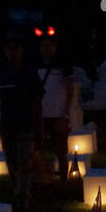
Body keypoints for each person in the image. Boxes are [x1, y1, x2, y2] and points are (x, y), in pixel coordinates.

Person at [0, 31, 44, 211]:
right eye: (9, 48)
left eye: (16, 48)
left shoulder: (30, 73)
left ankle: (23, 197)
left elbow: (37, 102)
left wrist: (39, 125)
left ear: (22, 50)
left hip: (26, 125)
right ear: (5, 51)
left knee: (24, 161)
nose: (13, 52)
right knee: (11, 160)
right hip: (7, 125)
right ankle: (18, 187)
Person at [35, 29, 75, 187]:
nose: (45, 49)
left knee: (61, 150)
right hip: (41, 115)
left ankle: (63, 181)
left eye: (48, 46)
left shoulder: (63, 64)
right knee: (38, 148)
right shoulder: (35, 64)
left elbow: (69, 87)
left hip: (58, 114)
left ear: (55, 47)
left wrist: (65, 112)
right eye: (42, 46)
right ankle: (46, 176)